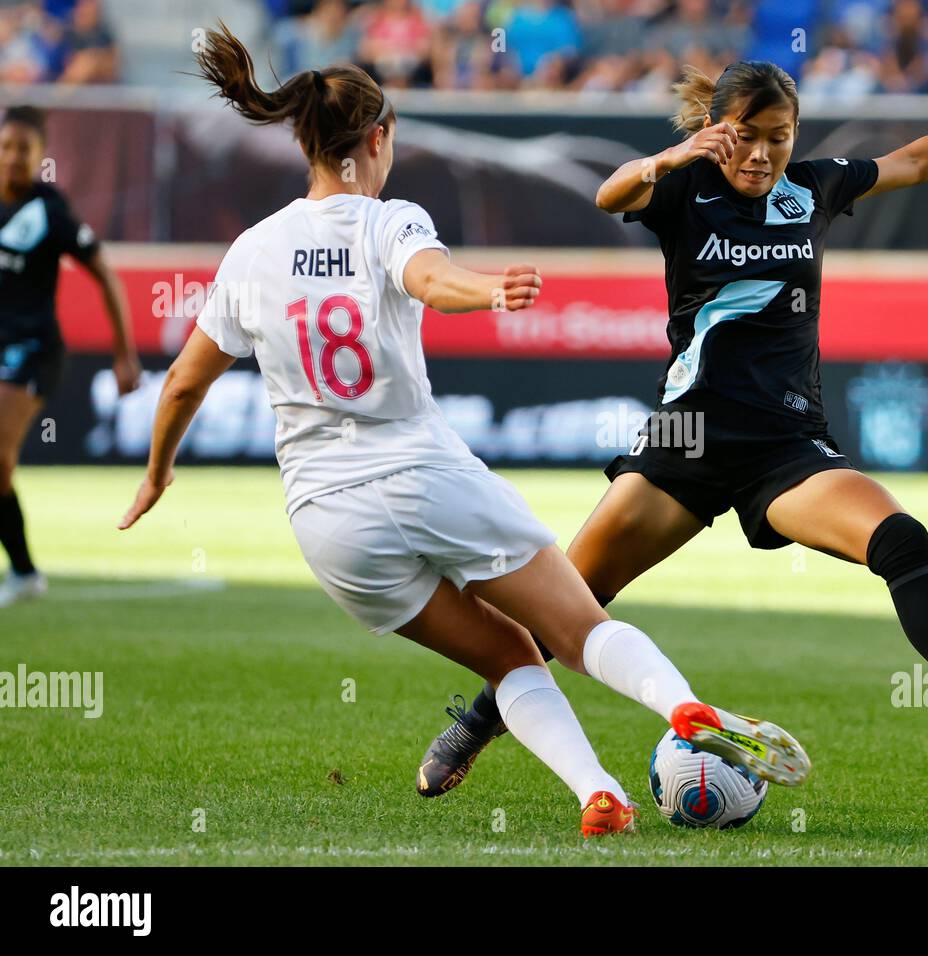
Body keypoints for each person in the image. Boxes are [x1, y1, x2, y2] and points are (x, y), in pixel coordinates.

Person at [118, 28, 809, 836]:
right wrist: (486, 291)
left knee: (507, 656)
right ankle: (683, 707)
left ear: (305, 140)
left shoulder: (251, 251)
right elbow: (431, 279)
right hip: (422, 473)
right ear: (379, 139)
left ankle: (600, 792)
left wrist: (158, 471)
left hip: (327, 523)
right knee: (576, 627)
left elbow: (183, 382)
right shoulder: (387, 221)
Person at [421, 59, 928, 796]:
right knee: (569, 603)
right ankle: (475, 724)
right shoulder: (681, 187)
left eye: (780, 137)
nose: (764, 154)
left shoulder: (815, 188)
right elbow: (613, 195)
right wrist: (670, 158)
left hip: (787, 445)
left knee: (900, 538)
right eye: (748, 137)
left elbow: (919, 160)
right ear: (716, 133)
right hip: (687, 438)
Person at [0, 105, 139, 607]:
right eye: (7, 146)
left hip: (33, 350)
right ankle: (25, 572)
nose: (14, 157)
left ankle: (23, 574)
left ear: (40, 156)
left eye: (25, 149)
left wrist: (124, 355)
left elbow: (104, 273)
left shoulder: (49, 211)